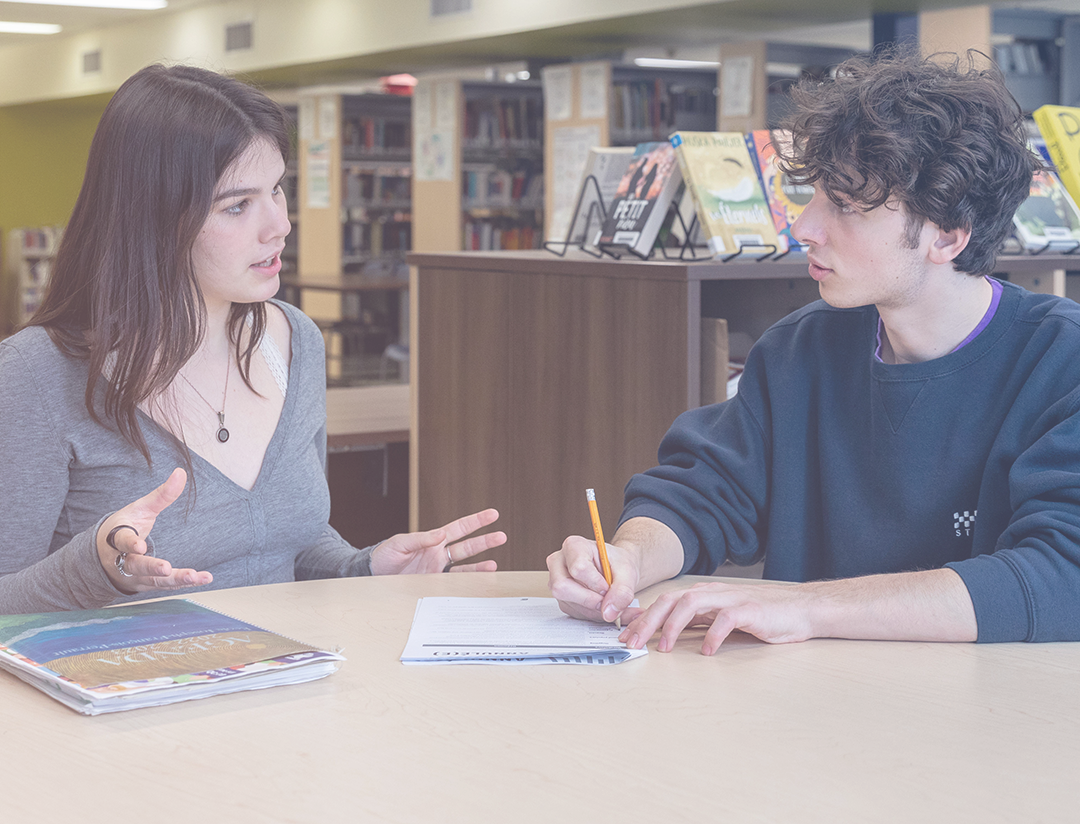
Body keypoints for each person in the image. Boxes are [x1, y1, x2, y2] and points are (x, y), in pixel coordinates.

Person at [549, 49, 1080, 652]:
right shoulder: (801, 348)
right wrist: (626, 560)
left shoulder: (1062, 361)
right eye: (815, 197)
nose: (804, 227)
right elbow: (700, 493)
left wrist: (806, 606)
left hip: (993, 716)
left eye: (845, 207)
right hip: (813, 711)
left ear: (947, 236)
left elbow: (1064, 576)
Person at [0, 64, 505, 614]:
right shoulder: (37, 374)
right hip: (132, 693)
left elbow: (290, 543)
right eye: (237, 205)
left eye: (277, 190)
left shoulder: (295, 341)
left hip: (284, 682)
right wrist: (99, 571)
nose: (279, 226)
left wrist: (363, 568)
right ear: (153, 220)